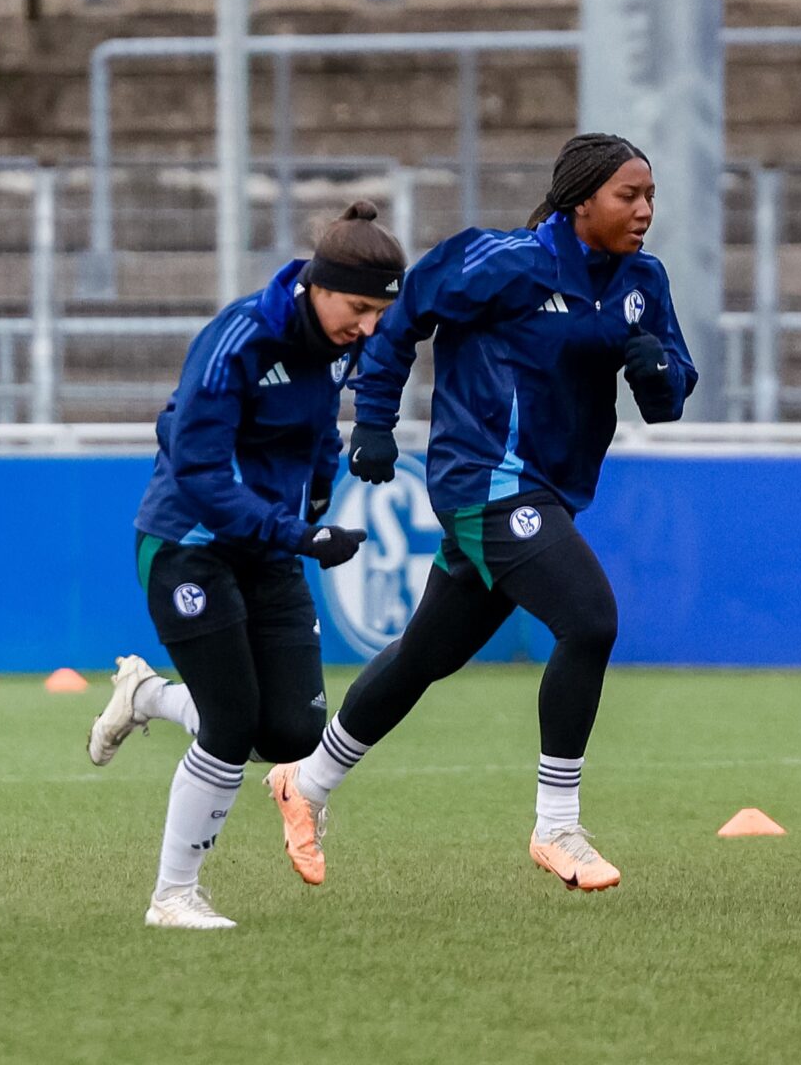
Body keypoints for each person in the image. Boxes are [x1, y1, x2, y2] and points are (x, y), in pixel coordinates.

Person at [264, 133, 696, 892]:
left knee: (428, 655)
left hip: (547, 492)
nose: (645, 210)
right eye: (629, 195)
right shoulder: (504, 262)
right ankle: (557, 827)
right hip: (482, 480)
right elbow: (405, 316)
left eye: (651, 196)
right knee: (589, 620)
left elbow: (668, 398)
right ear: (581, 199)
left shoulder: (642, 282)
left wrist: (659, 375)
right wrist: (372, 418)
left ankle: (308, 782)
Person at [92, 201, 405, 929]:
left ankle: (146, 697)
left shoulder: (340, 343)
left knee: (293, 735)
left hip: (267, 547)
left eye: (378, 315)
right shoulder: (239, 339)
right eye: (357, 308)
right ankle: (173, 896)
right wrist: (296, 537)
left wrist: (322, 490)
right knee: (231, 724)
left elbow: (322, 424)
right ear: (317, 286)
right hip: (186, 544)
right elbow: (198, 469)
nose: (367, 328)